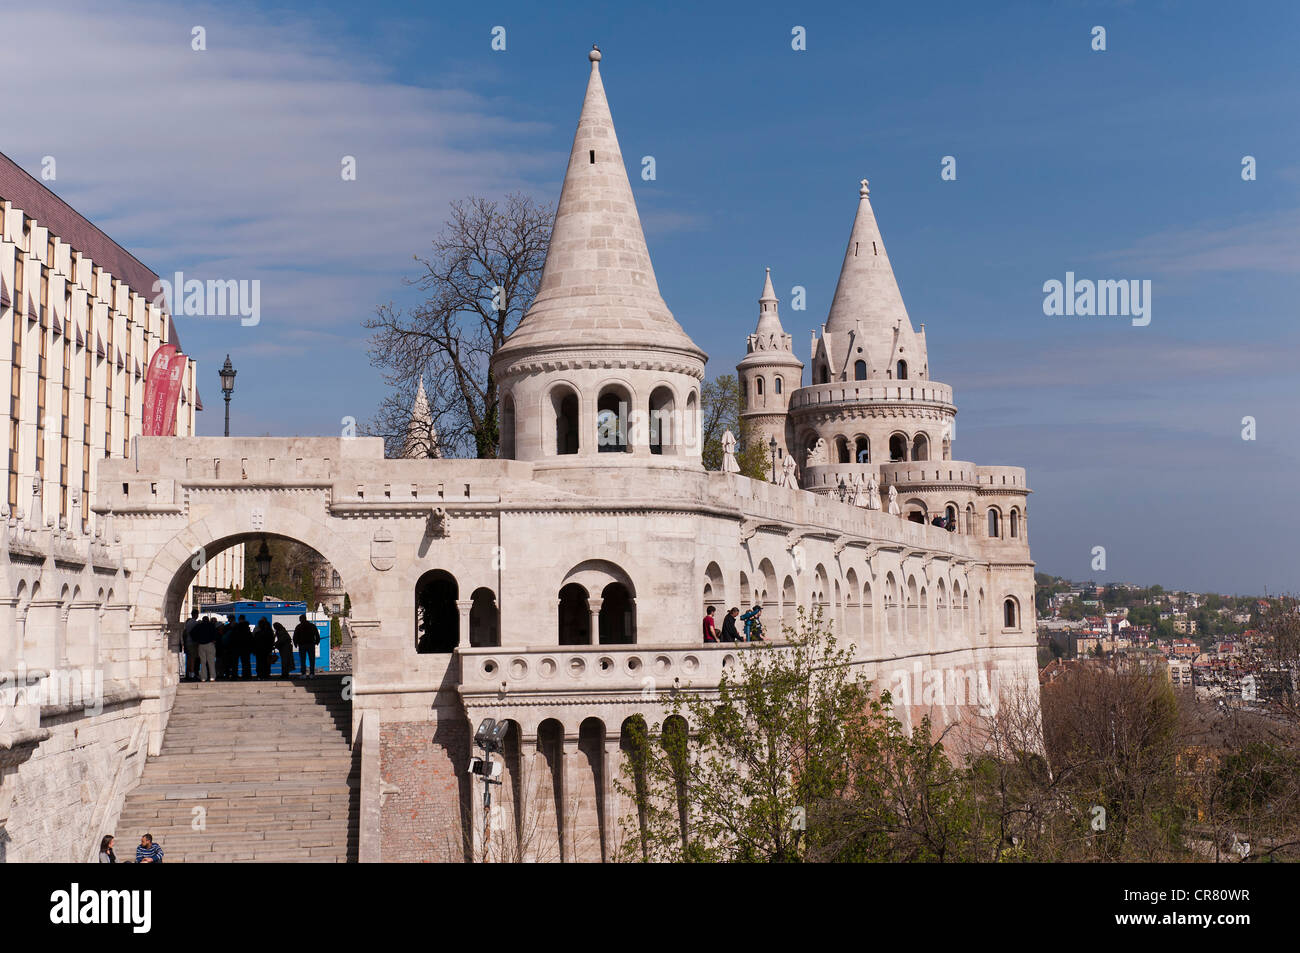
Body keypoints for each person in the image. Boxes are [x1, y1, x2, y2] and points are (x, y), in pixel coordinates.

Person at [195, 616, 219, 682]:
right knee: (211, 662)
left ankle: (203, 677)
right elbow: (216, 634)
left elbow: (192, 633)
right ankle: (212, 677)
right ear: (208, 620)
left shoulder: (199, 626)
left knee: (203, 662)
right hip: (210, 644)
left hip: (201, 645)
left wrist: (197, 640)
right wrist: (214, 640)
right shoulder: (211, 625)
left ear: (202, 620)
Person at [182, 608, 200, 681]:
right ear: (196, 615)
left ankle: (188, 674)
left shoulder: (188, 622)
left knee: (189, 659)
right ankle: (192, 675)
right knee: (192, 659)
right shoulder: (195, 623)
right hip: (193, 643)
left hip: (188, 642)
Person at [234, 615, 254, 679]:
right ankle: (247, 675)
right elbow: (251, 638)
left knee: (236, 662)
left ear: (239, 619)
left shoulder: (237, 627)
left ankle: (238, 675)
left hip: (239, 646)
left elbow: (235, 637)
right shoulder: (247, 628)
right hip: (247, 647)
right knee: (246, 662)